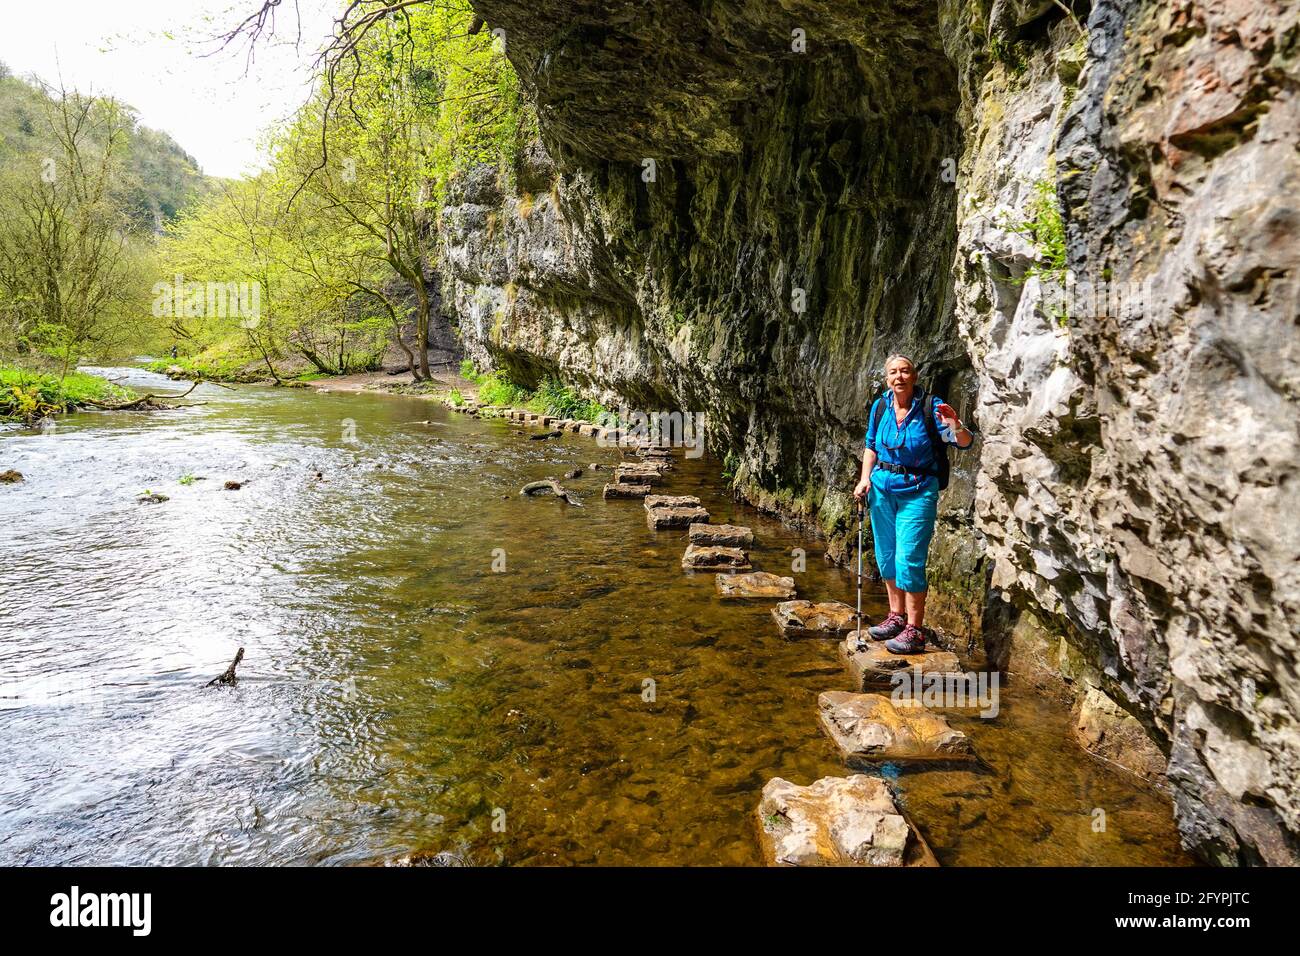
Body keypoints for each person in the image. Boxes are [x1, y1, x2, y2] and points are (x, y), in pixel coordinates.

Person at [852, 354, 975, 654]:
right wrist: (864, 478)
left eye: (905, 371)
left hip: (918, 490)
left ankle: (915, 630)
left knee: (909, 559)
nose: (899, 377)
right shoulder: (880, 406)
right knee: (887, 555)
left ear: (915, 376)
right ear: (887, 379)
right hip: (881, 490)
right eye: (893, 372)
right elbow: (870, 445)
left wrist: (956, 425)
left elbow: (965, 442)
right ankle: (896, 617)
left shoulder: (930, 407)